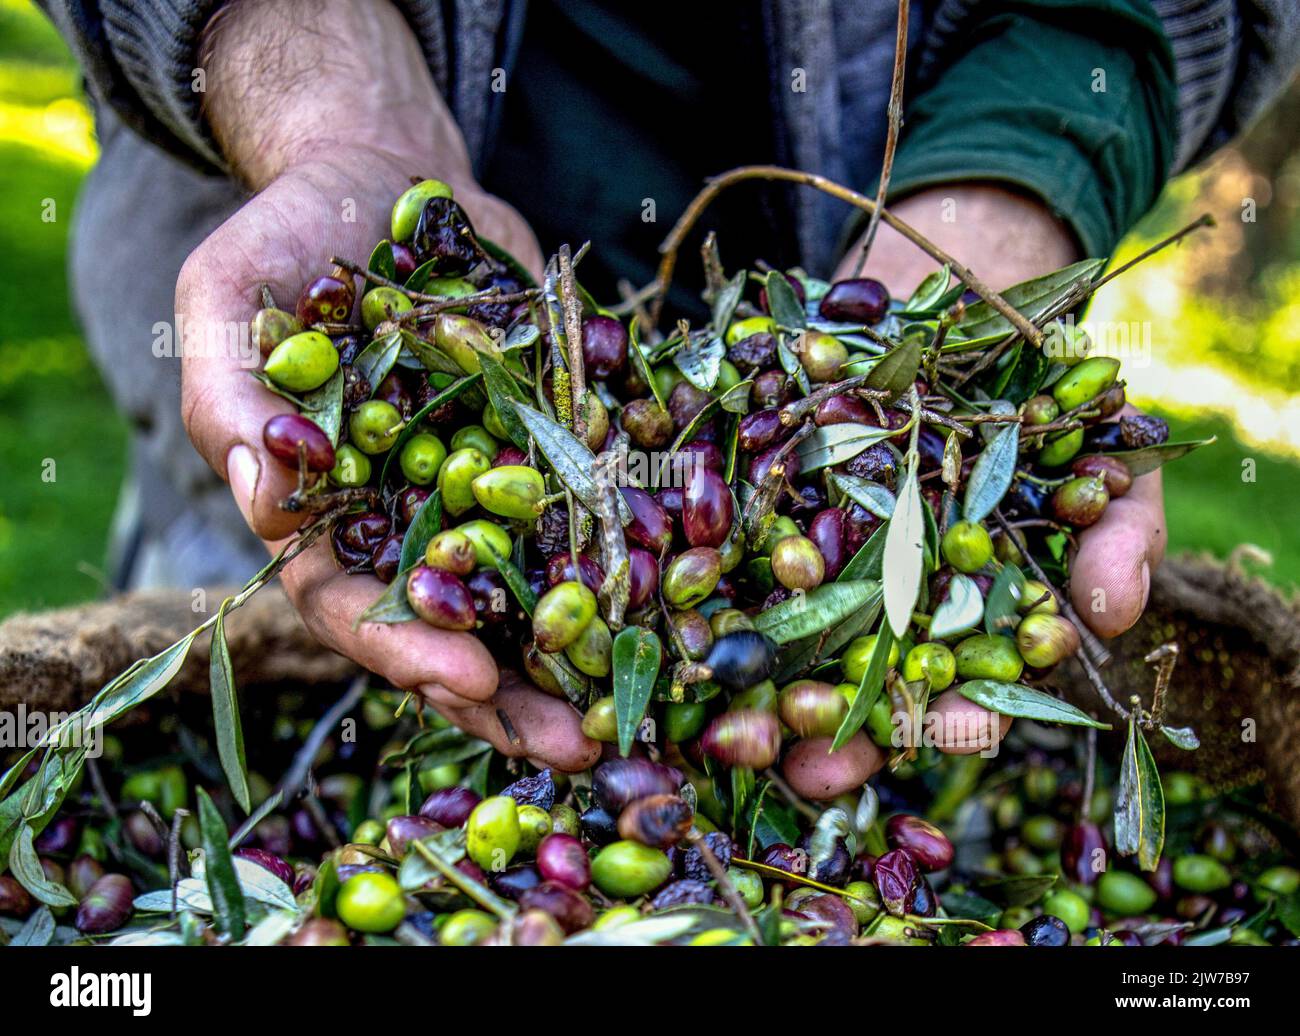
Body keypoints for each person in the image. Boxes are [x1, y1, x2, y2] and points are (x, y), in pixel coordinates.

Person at [39, 0, 1300, 795]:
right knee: (220, 724)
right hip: (243, 475)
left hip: (836, 366)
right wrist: (328, 91)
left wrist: (1008, 189)